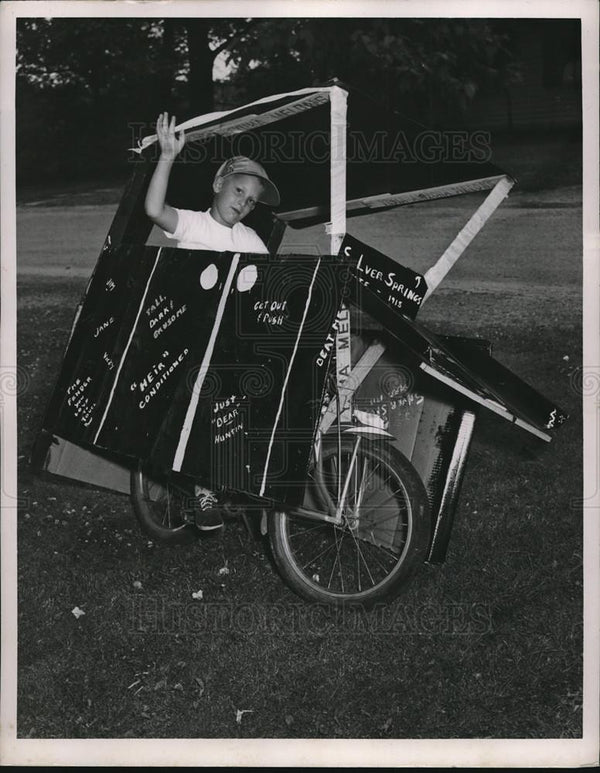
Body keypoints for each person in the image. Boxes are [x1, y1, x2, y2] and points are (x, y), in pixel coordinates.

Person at [144, 112, 281, 531]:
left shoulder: (251, 241)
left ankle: (245, 477)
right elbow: (154, 209)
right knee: (202, 393)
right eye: (239, 190)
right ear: (219, 184)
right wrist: (168, 157)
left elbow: (266, 290)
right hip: (187, 342)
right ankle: (200, 489)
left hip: (227, 342)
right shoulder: (193, 223)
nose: (243, 203)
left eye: (252, 200)